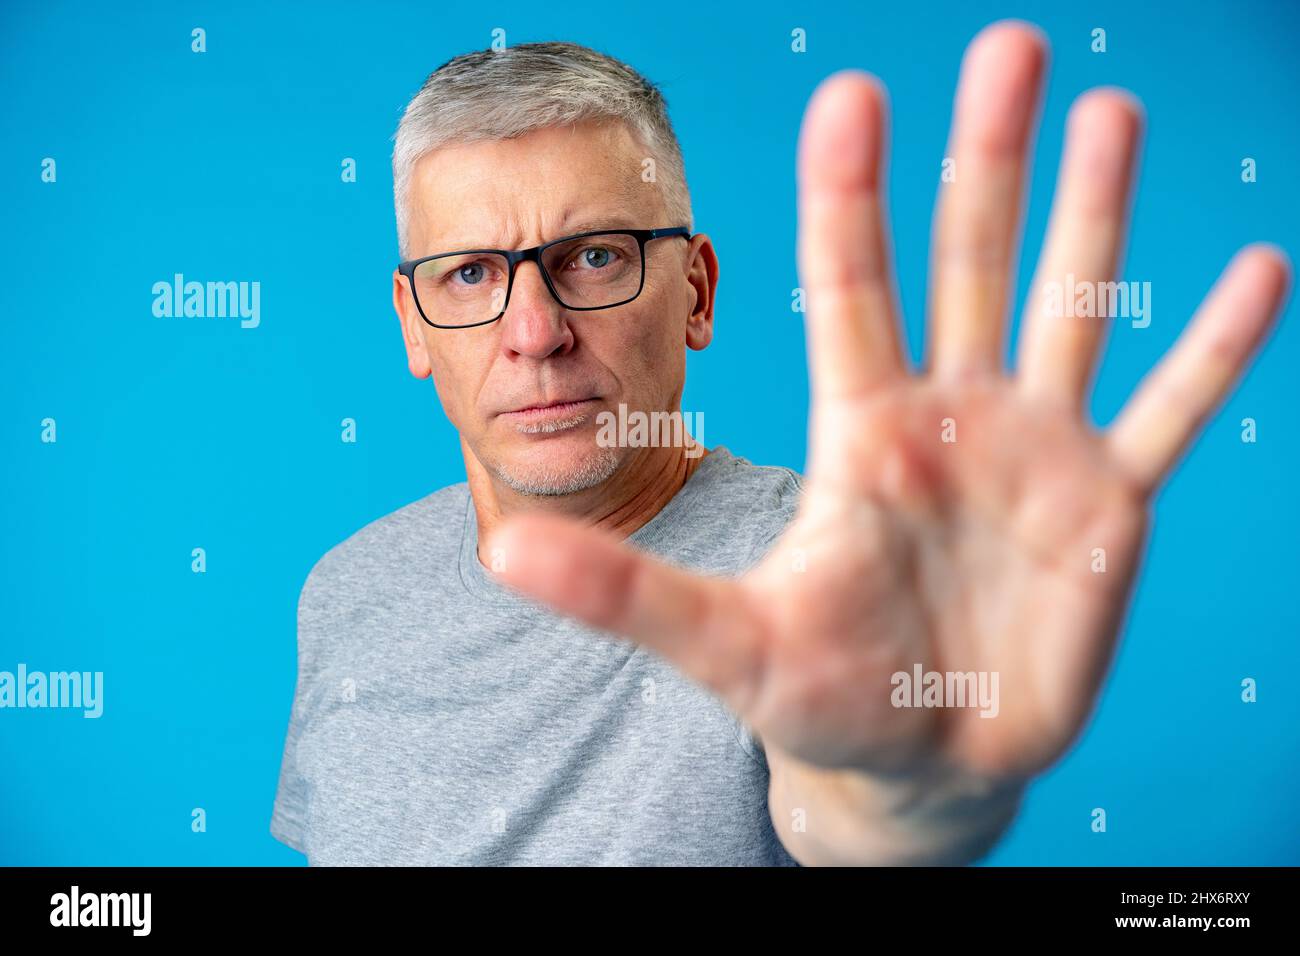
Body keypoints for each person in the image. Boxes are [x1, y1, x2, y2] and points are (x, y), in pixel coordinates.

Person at [271, 21, 1290, 865]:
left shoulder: (828, 569)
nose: (534, 332)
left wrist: (915, 778)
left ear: (697, 293)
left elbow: (851, 803)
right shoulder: (345, 590)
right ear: (411, 323)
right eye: (470, 276)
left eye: (592, 257)